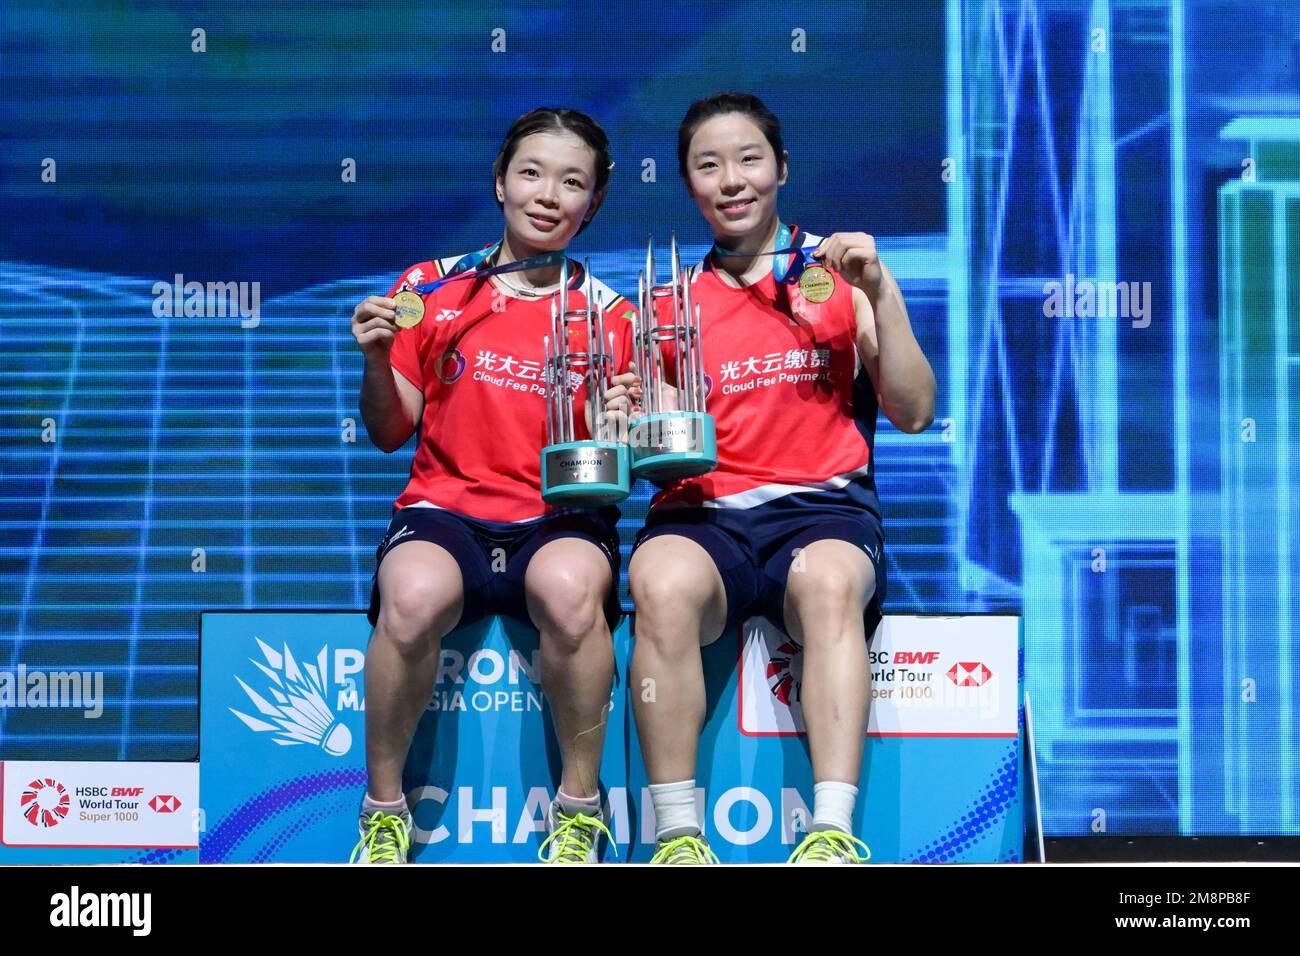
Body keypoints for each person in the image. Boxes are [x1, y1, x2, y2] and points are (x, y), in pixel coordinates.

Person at [624, 92, 935, 864]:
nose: (732, 180)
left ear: (783, 168)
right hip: (701, 514)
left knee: (829, 585)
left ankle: (830, 832)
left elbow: (916, 410)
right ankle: (677, 835)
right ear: (689, 185)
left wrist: (882, 291)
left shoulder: (837, 276)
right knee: (659, 585)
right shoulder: (665, 302)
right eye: (709, 166)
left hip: (822, 512)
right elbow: (643, 450)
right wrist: (629, 418)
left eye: (749, 159)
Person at [349, 107, 637, 864]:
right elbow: (388, 432)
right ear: (500, 183)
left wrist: (624, 431)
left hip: (559, 518)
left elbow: (623, 471)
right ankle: (384, 812)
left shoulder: (613, 318)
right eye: (532, 173)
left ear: (594, 202)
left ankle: (577, 810)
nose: (548, 195)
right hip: (446, 513)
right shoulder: (431, 291)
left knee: (575, 592)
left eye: (572, 182)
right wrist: (378, 360)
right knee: (410, 597)